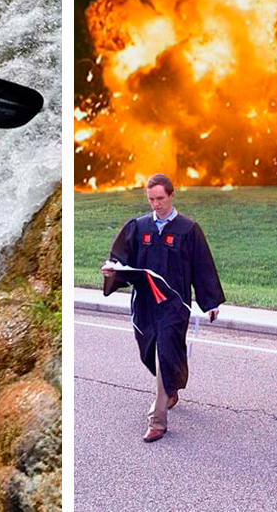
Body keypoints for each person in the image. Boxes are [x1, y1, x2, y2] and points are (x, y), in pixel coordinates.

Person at [101, 173, 224, 443]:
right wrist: (112, 270)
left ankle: (157, 421)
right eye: (151, 199)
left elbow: (202, 267)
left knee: (165, 352)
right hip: (145, 304)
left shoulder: (188, 230)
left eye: (160, 198)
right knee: (149, 352)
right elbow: (121, 259)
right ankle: (171, 387)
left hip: (174, 305)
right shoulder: (139, 227)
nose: (155, 204)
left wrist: (211, 302)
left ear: (171, 195)